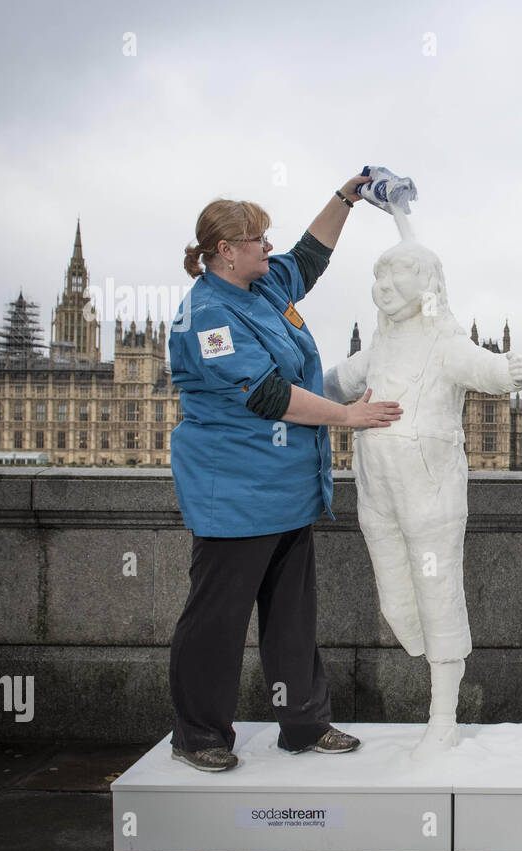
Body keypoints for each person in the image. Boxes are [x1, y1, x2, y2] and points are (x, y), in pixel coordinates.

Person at [167, 176, 402, 772]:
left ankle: (302, 725)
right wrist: (348, 415)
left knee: (292, 620)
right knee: (217, 622)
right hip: (236, 492)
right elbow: (268, 396)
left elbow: (309, 256)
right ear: (226, 249)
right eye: (257, 240)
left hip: (289, 491)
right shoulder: (208, 317)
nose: (267, 248)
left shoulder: (263, 285)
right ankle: (198, 735)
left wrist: (347, 196)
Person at [324, 241, 522, 760]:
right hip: (376, 494)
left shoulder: (445, 341)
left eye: (396, 279)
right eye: (380, 279)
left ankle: (443, 716)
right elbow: (331, 382)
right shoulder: (378, 348)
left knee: (438, 598)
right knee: (398, 604)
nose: (383, 289)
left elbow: (484, 370)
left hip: (431, 493)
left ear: (427, 288)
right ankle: (437, 663)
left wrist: (509, 370)